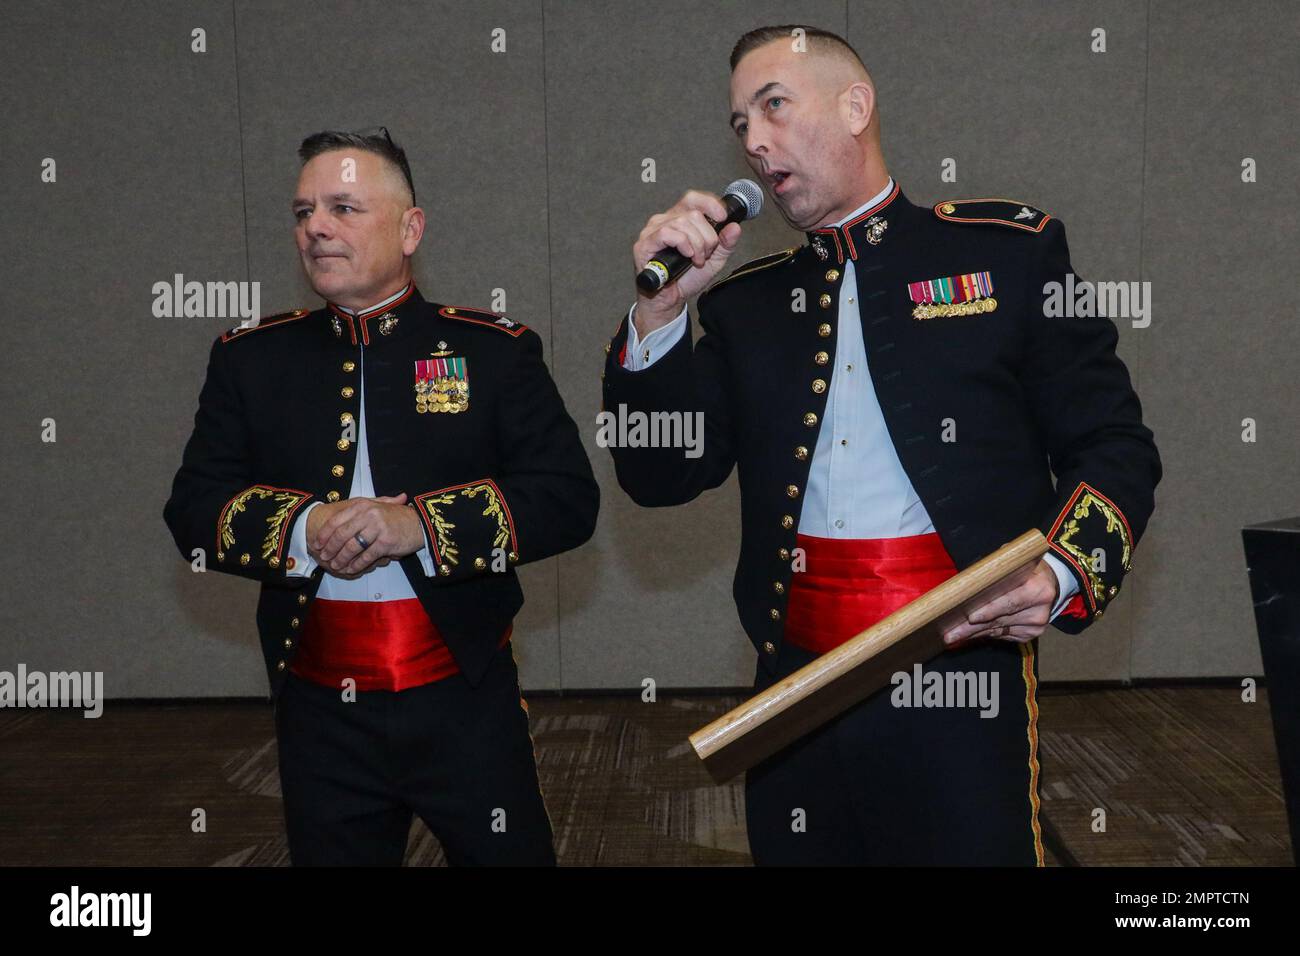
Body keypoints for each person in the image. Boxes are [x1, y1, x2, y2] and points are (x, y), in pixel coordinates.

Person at [601, 26, 1161, 865]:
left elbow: (1113, 443)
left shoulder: (1006, 254)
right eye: (739, 124)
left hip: (962, 663)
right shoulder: (746, 303)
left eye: (774, 106)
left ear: (855, 106)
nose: (752, 140)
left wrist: (1064, 569)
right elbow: (660, 476)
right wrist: (659, 318)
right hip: (794, 680)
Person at [164, 128, 598, 865]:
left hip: (465, 698)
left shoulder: (493, 350)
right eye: (303, 212)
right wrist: (305, 524)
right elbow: (194, 507)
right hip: (319, 711)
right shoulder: (250, 358)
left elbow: (565, 499)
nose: (316, 228)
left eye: (343, 207)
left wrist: (419, 526)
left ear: (410, 228)